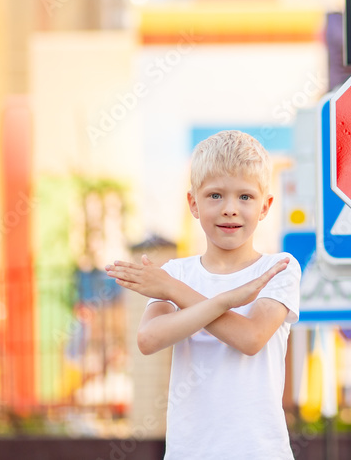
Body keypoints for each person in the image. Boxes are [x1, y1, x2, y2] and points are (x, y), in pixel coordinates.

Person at [106, 130, 301, 459]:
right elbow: (149, 339)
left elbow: (251, 338)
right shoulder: (177, 274)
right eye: (214, 196)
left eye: (245, 197)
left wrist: (176, 292)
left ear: (265, 205)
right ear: (193, 203)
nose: (229, 209)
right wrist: (224, 299)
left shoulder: (278, 268)